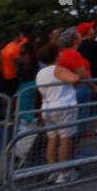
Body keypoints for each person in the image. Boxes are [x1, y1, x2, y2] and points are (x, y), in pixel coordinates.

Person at [35, 42, 83, 183]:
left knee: (52, 140)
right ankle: (64, 172)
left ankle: (53, 171)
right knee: (65, 140)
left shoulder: (41, 73)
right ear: (55, 55)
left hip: (48, 107)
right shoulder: (57, 69)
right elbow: (76, 78)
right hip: (63, 106)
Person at [0, 29, 29, 99]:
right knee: (15, 96)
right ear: (17, 37)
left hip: (6, 74)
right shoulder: (14, 47)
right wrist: (25, 60)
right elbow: (17, 60)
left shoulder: (6, 47)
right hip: (13, 75)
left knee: (10, 96)